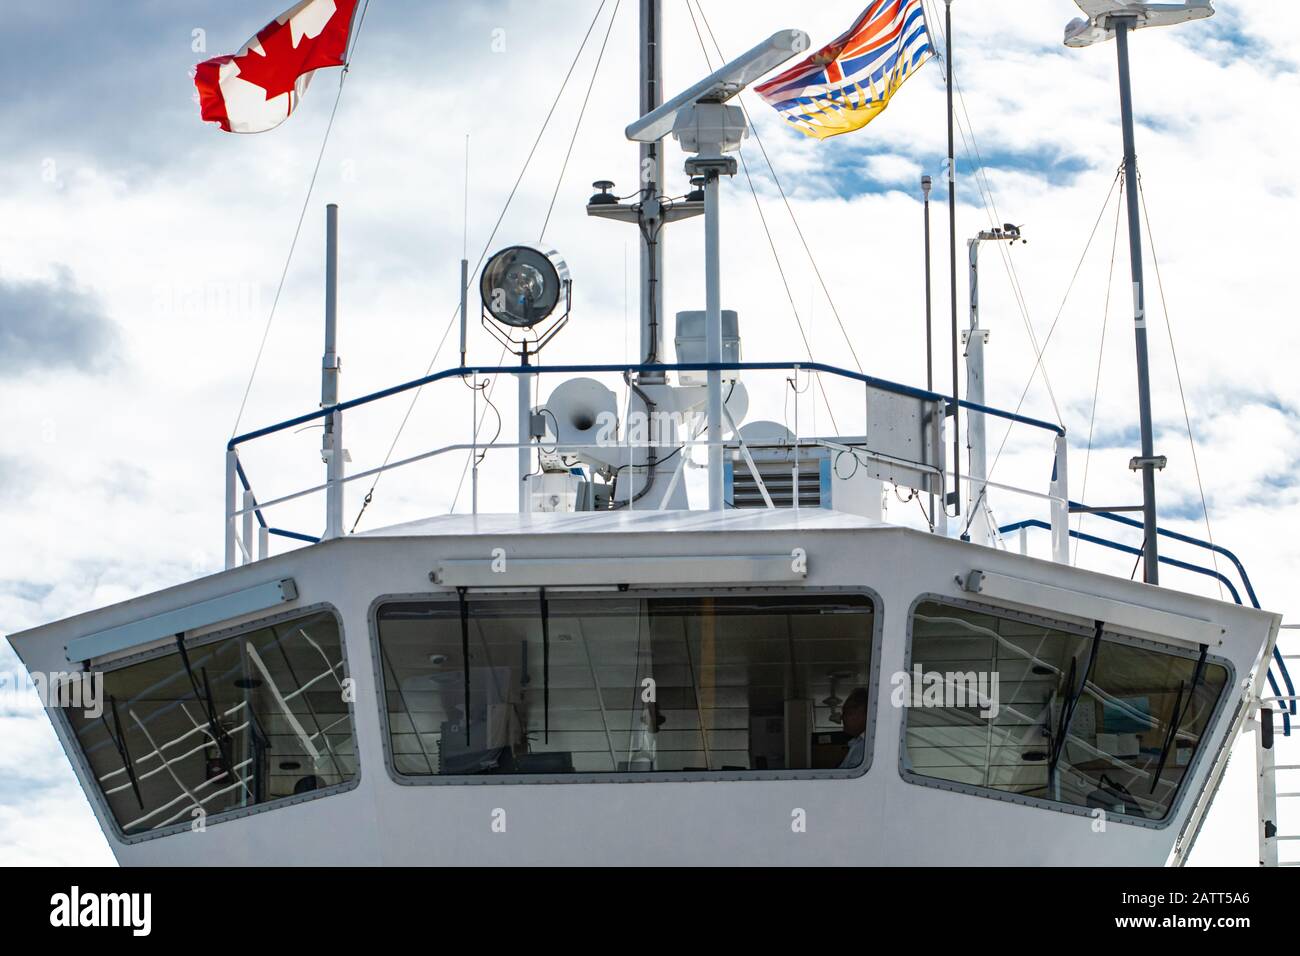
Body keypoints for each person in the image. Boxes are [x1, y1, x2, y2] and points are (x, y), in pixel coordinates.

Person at [839, 688, 870, 768]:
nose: (841, 718)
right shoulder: (859, 743)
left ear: (863, 715)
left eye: (847, 713)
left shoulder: (865, 748)